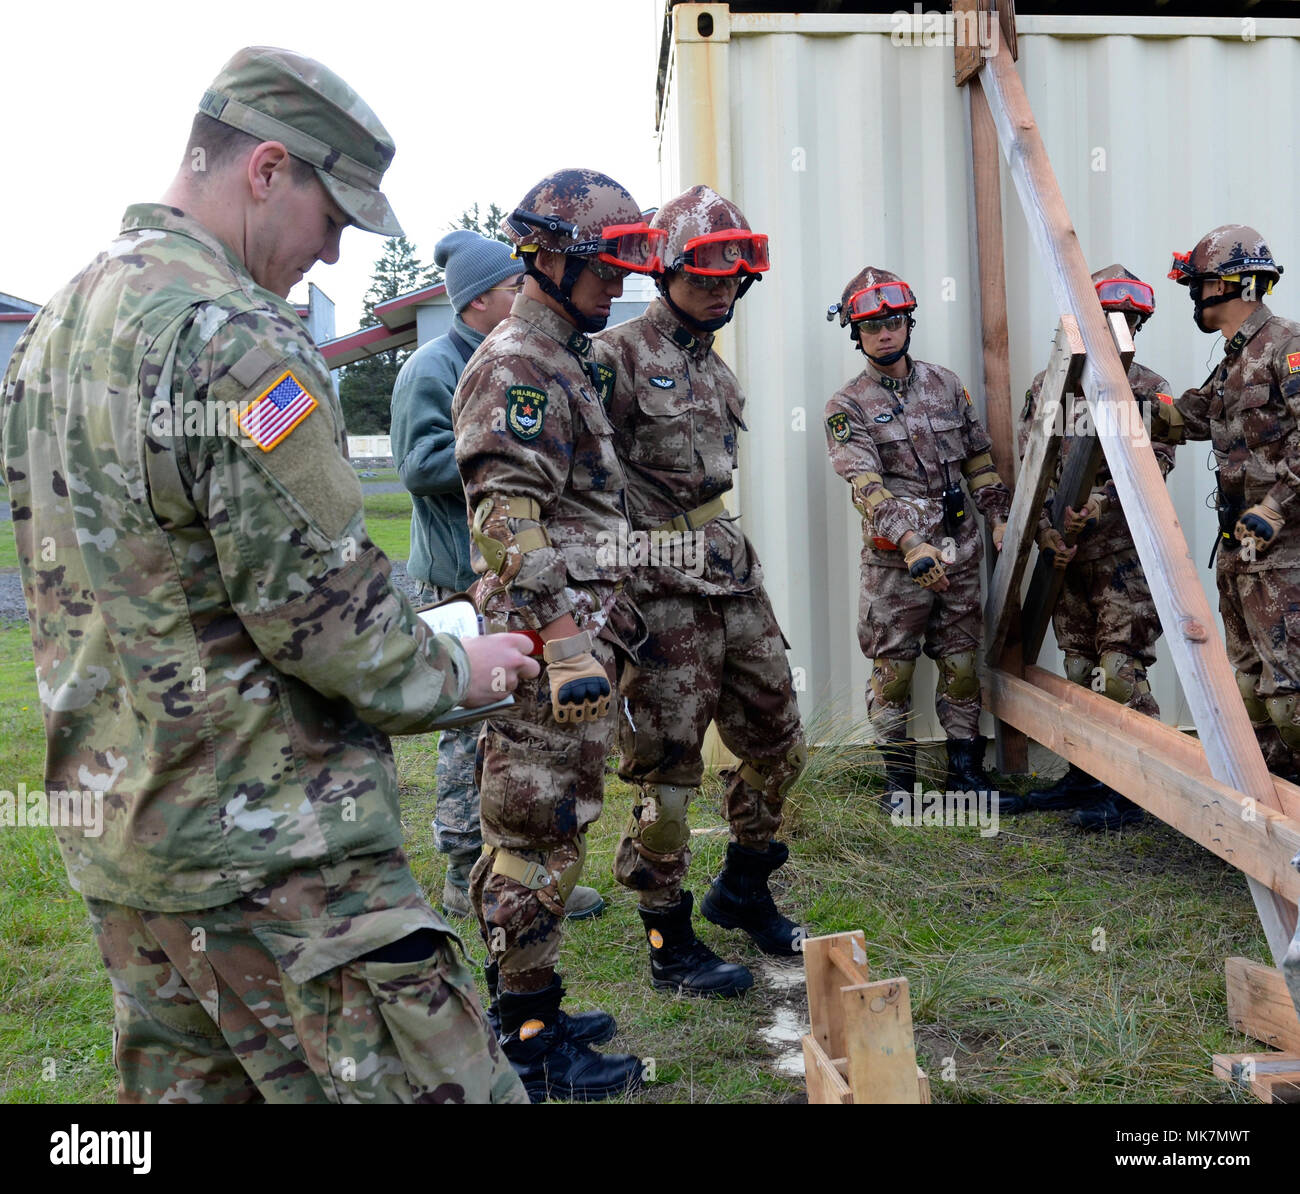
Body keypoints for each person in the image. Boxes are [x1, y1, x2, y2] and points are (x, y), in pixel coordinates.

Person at [0, 46, 540, 1104]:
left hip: (128, 848)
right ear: (265, 170)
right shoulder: (240, 342)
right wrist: (455, 671)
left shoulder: (59, 325)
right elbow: (325, 617)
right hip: (281, 863)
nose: (329, 254)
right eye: (332, 217)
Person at [452, 168, 663, 1102]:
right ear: (549, 257)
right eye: (603, 266)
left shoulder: (564, 355)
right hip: (549, 651)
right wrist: (569, 640)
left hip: (576, 640)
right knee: (535, 840)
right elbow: (507, 516)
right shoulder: (517, 365)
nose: (616, 285)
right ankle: (531, 1045)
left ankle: (533, 1002)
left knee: (555, 830)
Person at [593, 185, 807, 997]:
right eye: (704, 276)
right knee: (670, 772)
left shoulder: (714, 368)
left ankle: (744, 887)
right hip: (657, 588)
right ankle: (667, 941)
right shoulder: (609, 356)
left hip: (728, 569)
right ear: (666, 270)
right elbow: (579, 481)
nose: (720, 290)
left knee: (777, 737)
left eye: (731, 278)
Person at [391, 230, 605, 922]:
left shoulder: (527, 356)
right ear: (480, 298)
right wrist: (498, 452)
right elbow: (417, 467)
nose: (524, 293)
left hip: (507, 576)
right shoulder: (435, 365)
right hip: (456, 571)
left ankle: (516, 865)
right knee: (467, 725)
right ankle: (462, 870)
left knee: (513, 729)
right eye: (512, 286)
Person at [823, 267, 1062, 813]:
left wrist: (999, 517)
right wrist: (910, 545)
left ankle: (964, 774)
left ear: (908, 323)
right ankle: (899, 783)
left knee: (960, 665)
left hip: (958, 553)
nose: (884, 334)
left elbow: (978, 460)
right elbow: (867, 485)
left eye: (893, 322)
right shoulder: (847, 407)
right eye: (871, 327)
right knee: (895, 671)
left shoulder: (947, 385)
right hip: (895, 566)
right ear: (856, 334)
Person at [1018, 266, 1177, 830]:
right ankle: (1086, 777)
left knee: (1119, 671)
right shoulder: (1049, 385)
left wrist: (1101, 504)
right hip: (1068, 561)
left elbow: (1157, 460)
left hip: (1121, 560)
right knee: (1079, 666)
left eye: (1129, 319)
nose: (1119, 327)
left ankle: (1139, 788)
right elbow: (1031, 463)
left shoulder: (1149, 389)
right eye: (1109, 318)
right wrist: (1043, 528)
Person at [1164, 225, 1300, 780]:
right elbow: (1190, 415)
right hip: (1240, 548)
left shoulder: (1286, 347)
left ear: (1232, 285)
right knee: (1248, 684)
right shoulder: (1234, 359)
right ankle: (1271, 821)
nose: (1194, 297)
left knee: (1289, 694)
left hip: (1283, 549)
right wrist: (1117, 402)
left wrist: (1274, 506)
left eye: (1199, 285)